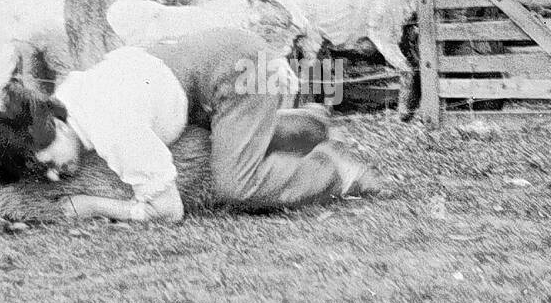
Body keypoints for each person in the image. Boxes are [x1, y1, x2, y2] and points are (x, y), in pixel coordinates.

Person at [47, 27, 380, 222]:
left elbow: (168, 210)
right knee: (223, 142)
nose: (51, 173)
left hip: (236, 70)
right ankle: (308, 125)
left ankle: (334, 171)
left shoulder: (110, 127)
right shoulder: (68, 97)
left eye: (46, 160)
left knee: (237, 185)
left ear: (58, 126)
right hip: (212, 63)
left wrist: (92, 205)